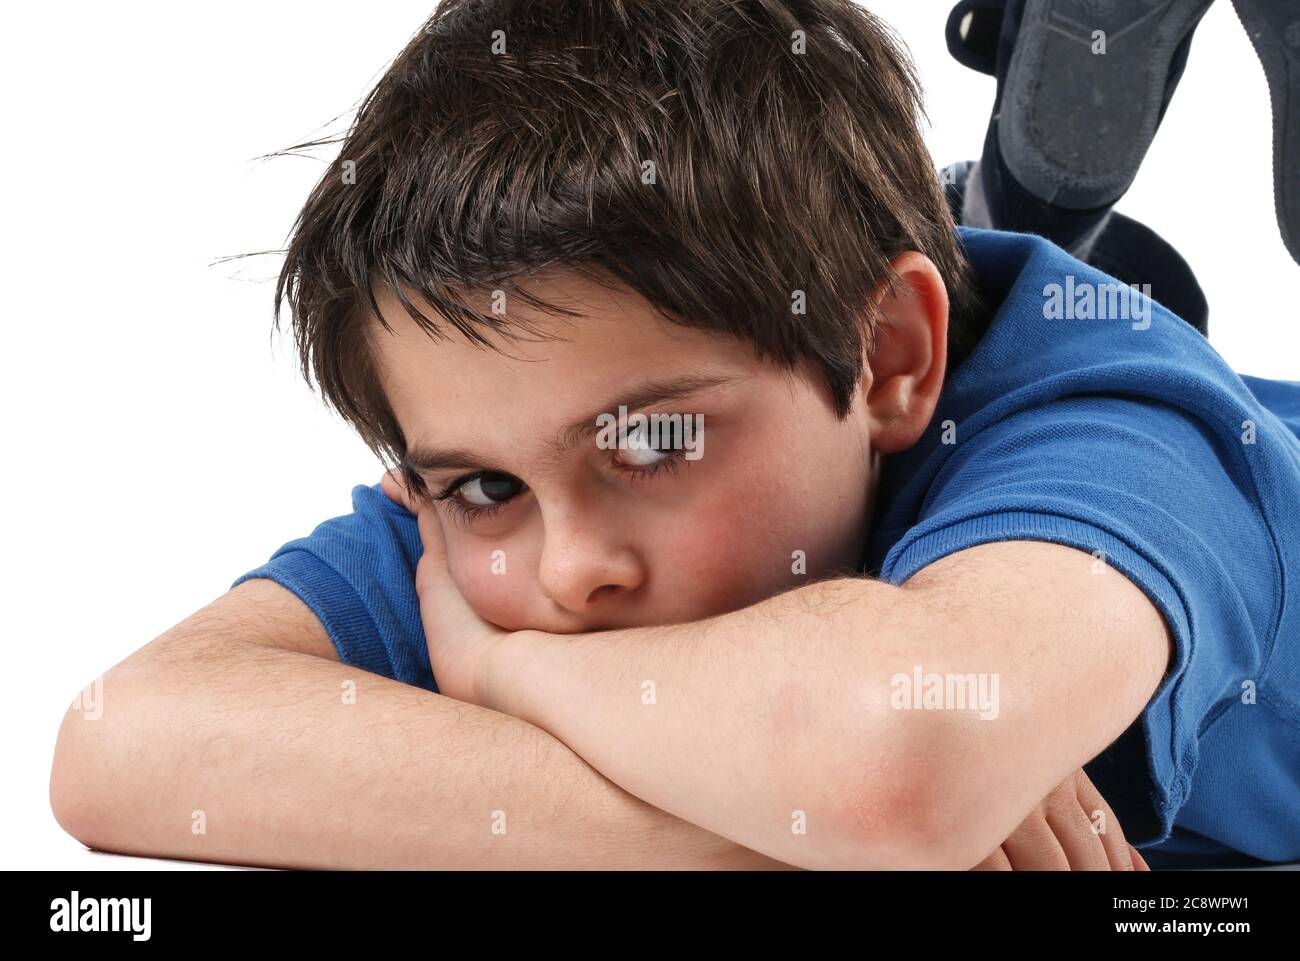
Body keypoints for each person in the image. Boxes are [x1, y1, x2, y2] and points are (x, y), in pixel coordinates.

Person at [51, 0, 1300, 870]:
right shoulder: (509, 509)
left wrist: (506, 678)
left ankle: (1026, 229)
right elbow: (127, 740)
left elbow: (891, 764)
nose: (565, 572)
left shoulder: (1118, 436)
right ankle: (985, 208)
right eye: (482, 484)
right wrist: (799, 833)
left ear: (892, 359)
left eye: (648, 444)